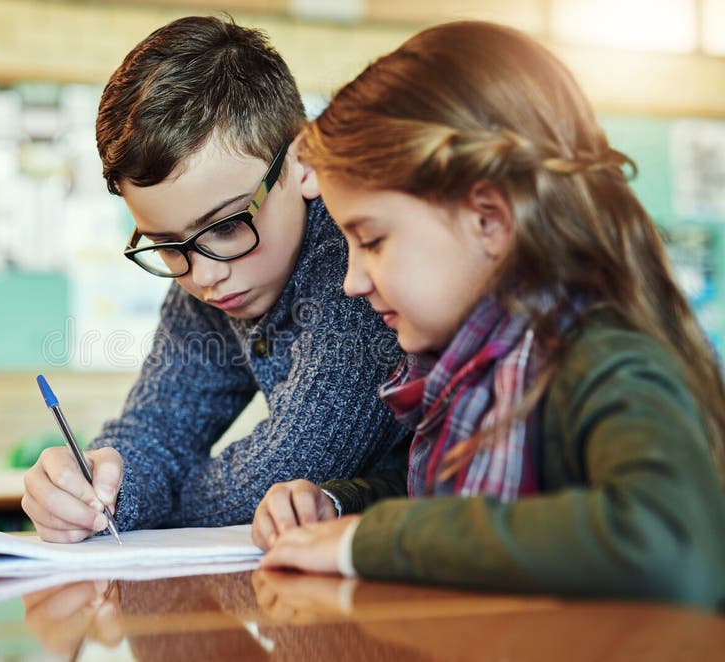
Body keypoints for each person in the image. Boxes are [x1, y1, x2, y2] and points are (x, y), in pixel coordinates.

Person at [253, 20, 725, 608]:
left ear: (490, 220)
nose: (353, 282)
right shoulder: (470, 372)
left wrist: (368, 542)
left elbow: (670, 544)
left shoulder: (606, 360)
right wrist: (337, 506)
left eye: (371, 240)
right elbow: (454, 507)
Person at [22, 16, 408, 542]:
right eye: (165, 243)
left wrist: (165, 496)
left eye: (227, 225)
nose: (204, 277)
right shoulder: (207, 265)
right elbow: (157, 432)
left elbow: (292, 465)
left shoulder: (355, 257)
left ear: (303, 162)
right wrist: (100, 483)